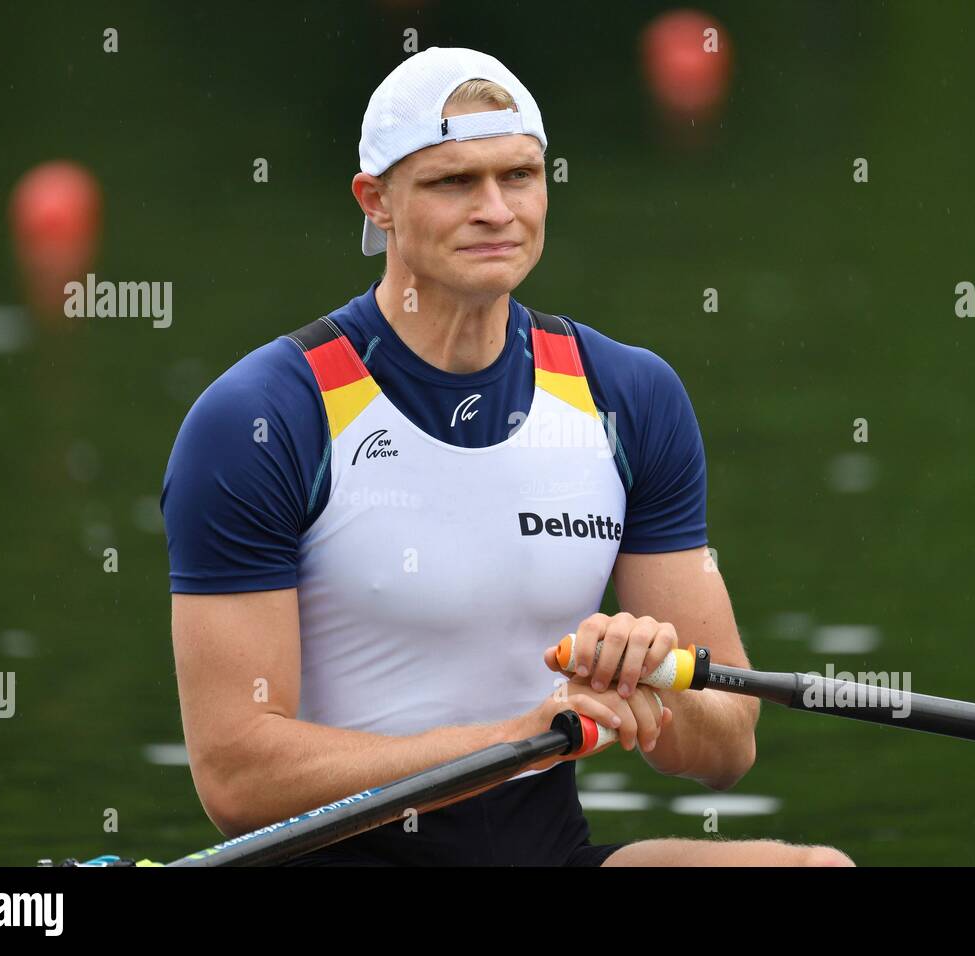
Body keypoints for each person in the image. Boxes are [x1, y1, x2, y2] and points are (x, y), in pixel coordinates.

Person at [161, 46, 852, 867]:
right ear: (375, 200)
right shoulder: (263, 419)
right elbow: (236, 779)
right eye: (456, 182)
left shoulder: (630, 396)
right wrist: (519, 736)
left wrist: (650, 684)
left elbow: (728, 747)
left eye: (519, 176)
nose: (498, 210)